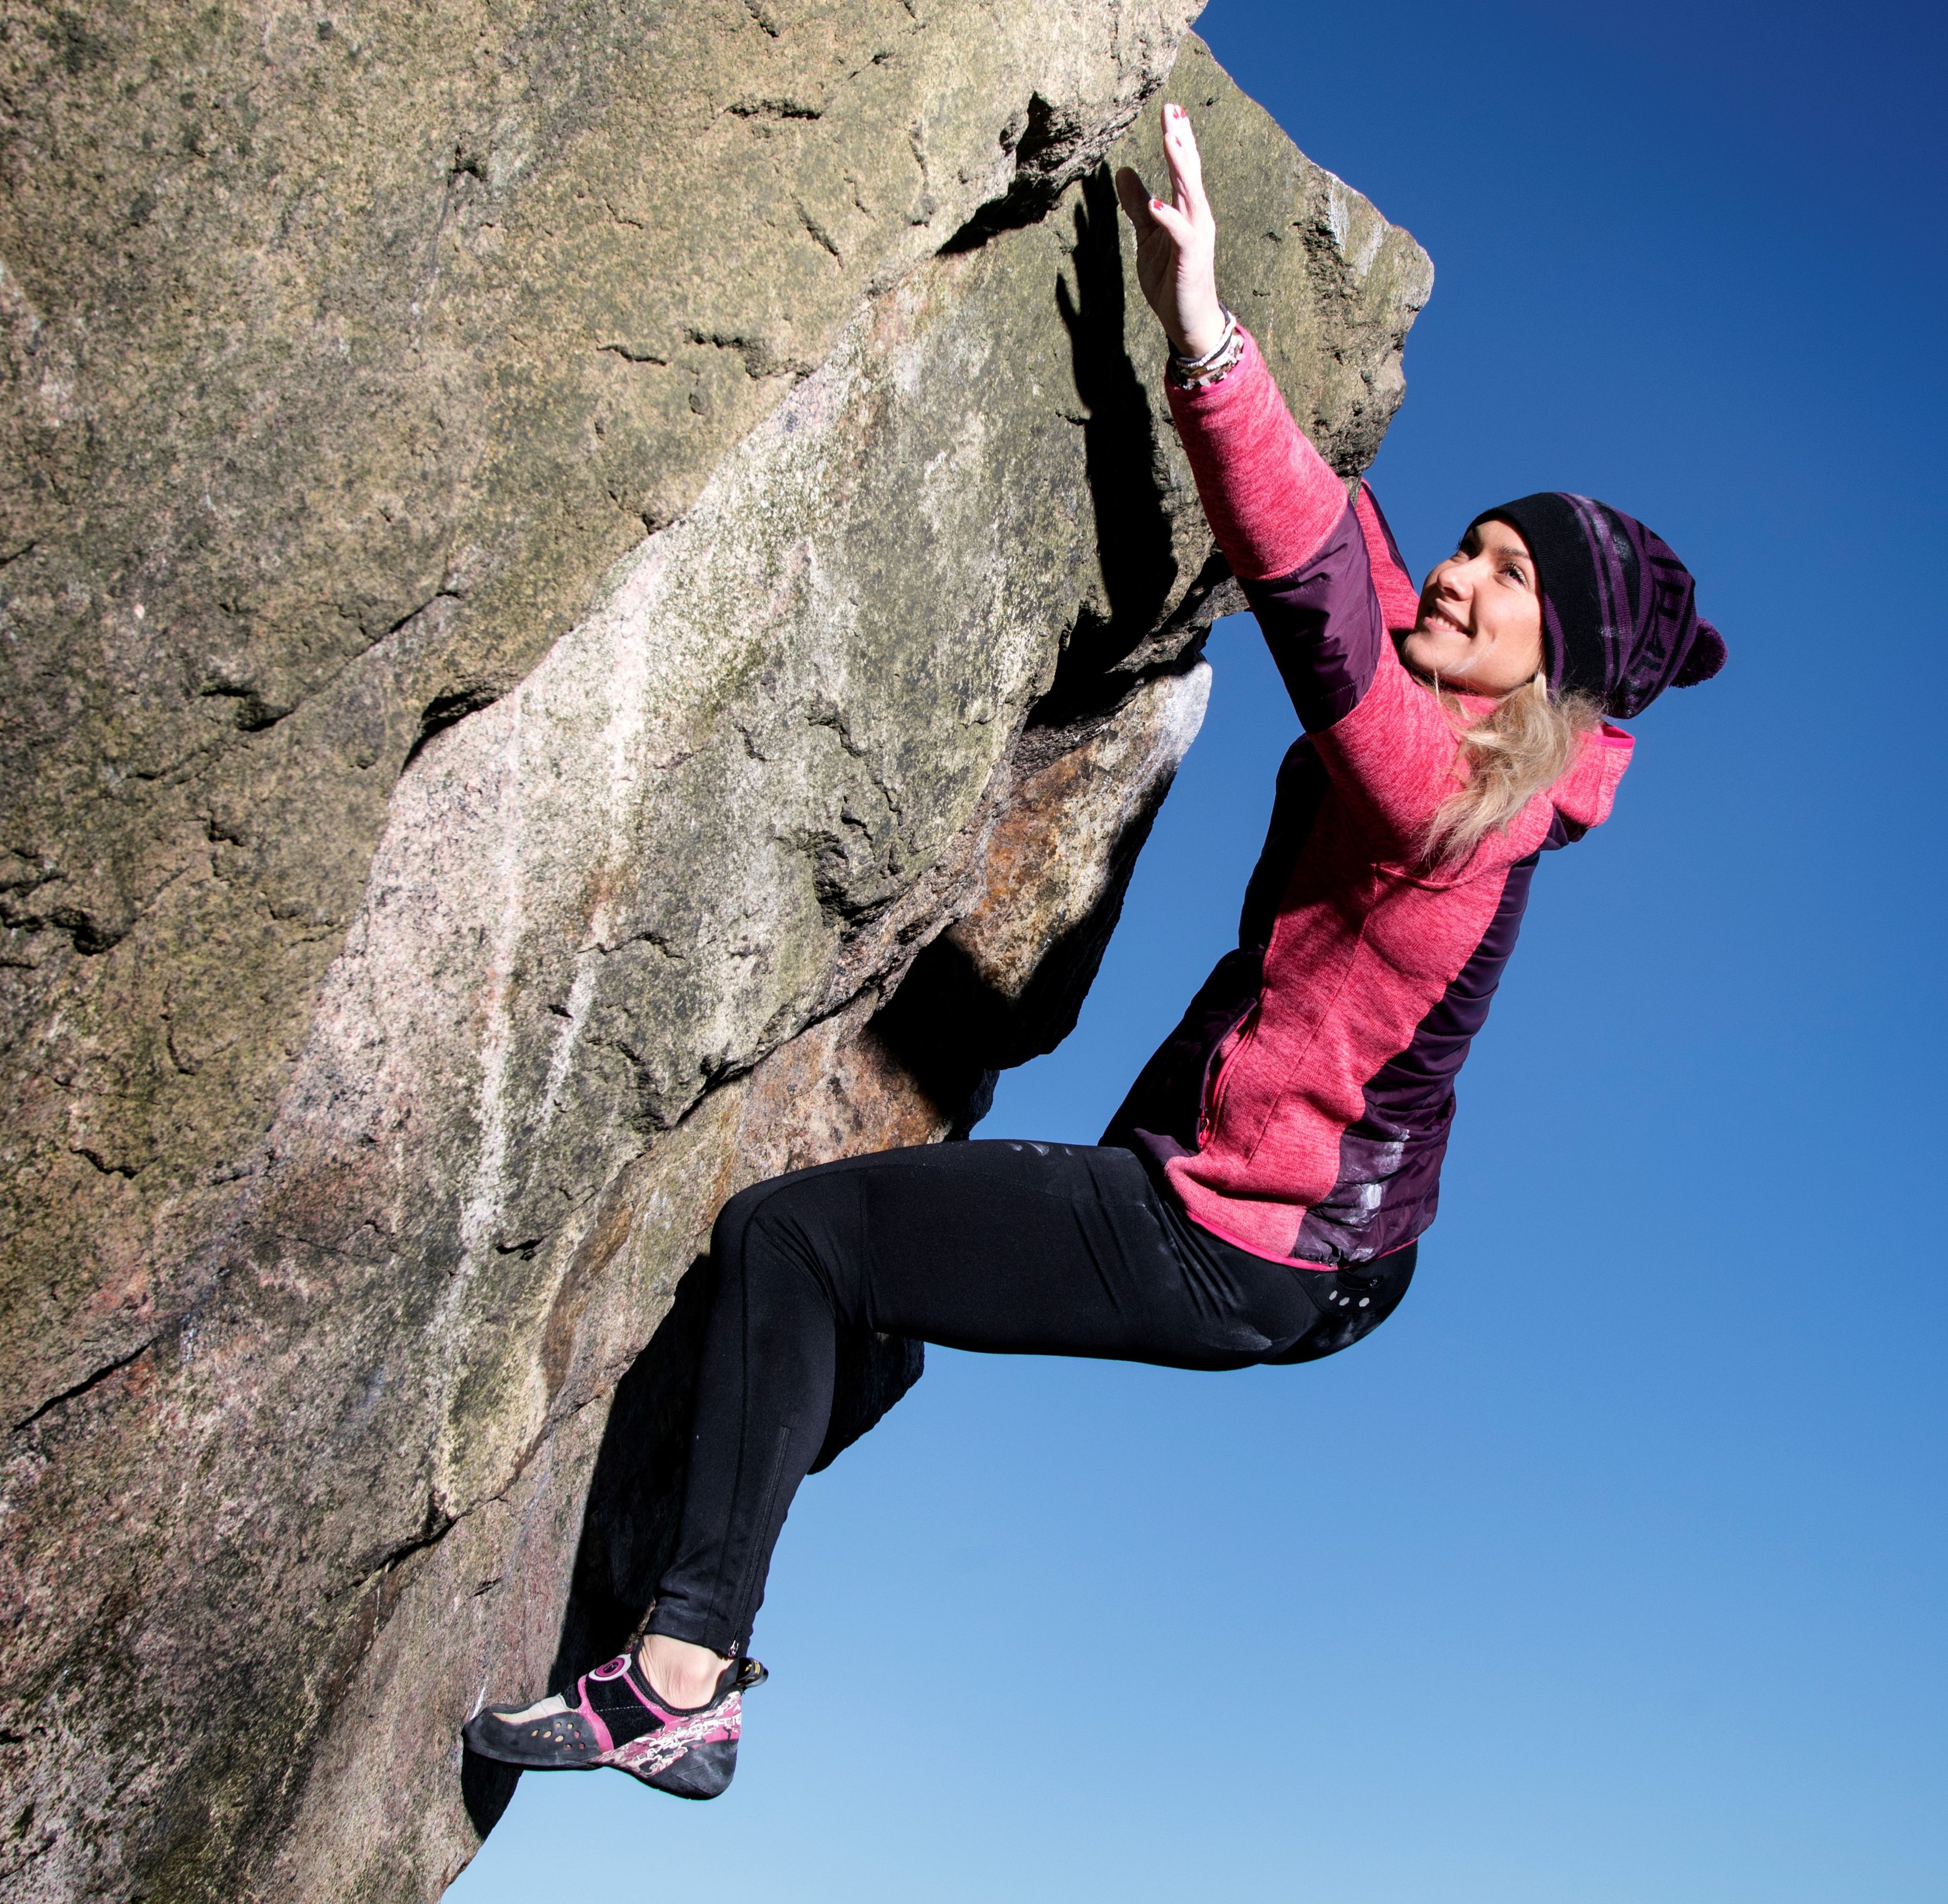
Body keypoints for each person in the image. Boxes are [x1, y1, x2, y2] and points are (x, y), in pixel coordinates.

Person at [462, 100, 1727, 1801]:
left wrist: (1202, 320)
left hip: (1244, 1247)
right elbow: (1353, 538)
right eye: (1473, 541)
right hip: (1292, 1242)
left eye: (1505, 579)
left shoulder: (1455, 801)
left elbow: (1314, 590)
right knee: (884, 1273)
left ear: (1555, 664)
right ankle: (855, 1371)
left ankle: (683, 1678)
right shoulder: (1487, 761)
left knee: (795, 1238)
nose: (1458, 571)